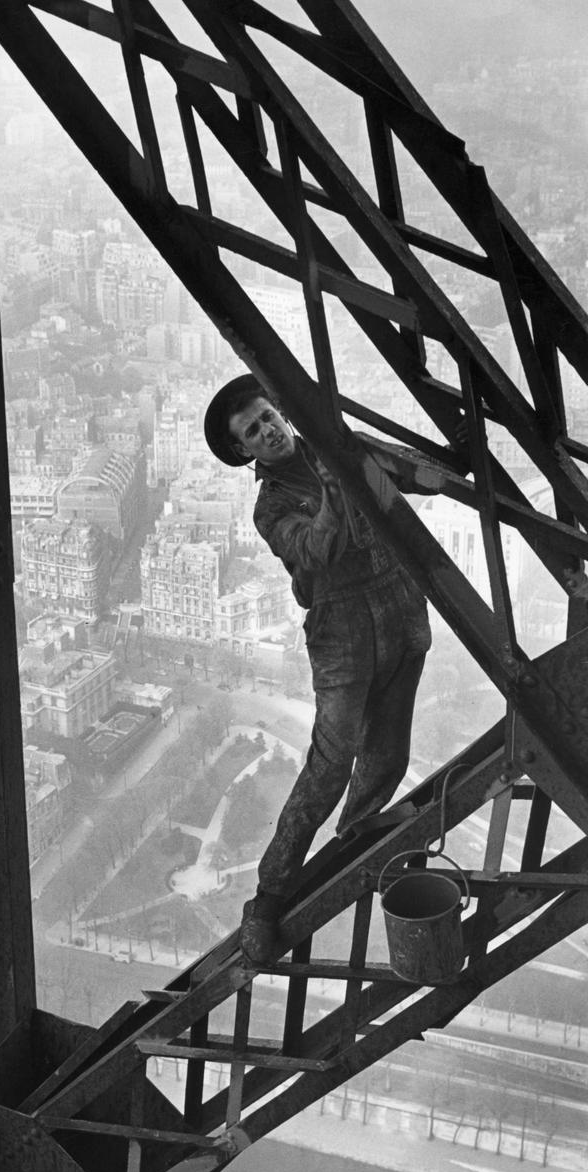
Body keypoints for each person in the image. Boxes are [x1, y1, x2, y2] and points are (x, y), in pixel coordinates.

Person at [203, 373, 448, 964]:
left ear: (281, 413)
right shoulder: (273, 507)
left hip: (399, 613)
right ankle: (268, 896)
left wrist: (438, 467)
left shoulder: (341, 446)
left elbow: (417, 475)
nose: (267, 432)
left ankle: (352, 842)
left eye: (267, 417)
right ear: (244, 452)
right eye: (252, 432)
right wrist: (341, 485)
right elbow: (315, 549)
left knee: (388, 757)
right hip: (343, 633)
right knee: (331, 764)